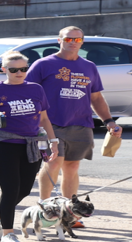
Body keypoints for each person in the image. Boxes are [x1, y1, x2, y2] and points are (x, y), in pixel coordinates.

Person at [28, 26, 122, 216]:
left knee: (72, 166)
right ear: (59, 40)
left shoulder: (88, 66)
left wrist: (109, 121)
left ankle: (68, 211)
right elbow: (28, 93)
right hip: (50, 123)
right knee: (53, 163)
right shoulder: (43, 64)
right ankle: (45, 207)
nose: (73, 43)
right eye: (68, 39)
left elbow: (96, 97)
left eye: (77, 40)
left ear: (82, 42)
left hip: (80, 123)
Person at [0, 52, 58, 242]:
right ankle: (8, 234)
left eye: (23, 69)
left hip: (31, 144)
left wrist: (53, 141)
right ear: (4, 70)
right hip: (3, 144)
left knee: (25, 189)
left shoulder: (36, 89)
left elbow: (44, 118)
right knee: (10, 190)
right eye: (13, 70)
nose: (19, 73)